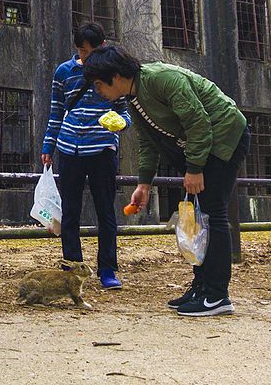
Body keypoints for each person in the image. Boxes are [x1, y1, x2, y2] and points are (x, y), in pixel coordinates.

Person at [83, 45, 250, 317]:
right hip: (201, 144)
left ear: (116, 76)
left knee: (212, 213)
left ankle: (217, 295)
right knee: (199, 217)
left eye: (100, 84)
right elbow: (149, 142)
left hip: (224, 135)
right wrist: (144, 183)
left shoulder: (161, 79)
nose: (98, 91)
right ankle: (202, 287)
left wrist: (195, 168)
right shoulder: (133, 98)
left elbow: (198, 122)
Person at [41, 23, 132, 290]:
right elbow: (56, 111)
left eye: (89, 51)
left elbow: (126, 114)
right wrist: (49, 146)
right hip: (70, 149)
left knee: (106, 211)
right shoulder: (64, 73)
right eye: (80, 50)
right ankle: (72, 268)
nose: (84, 56)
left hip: (103, 150)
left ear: (101, 47)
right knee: (70, 212)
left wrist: (120, 124)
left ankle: (108, 269)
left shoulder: (113, 75)